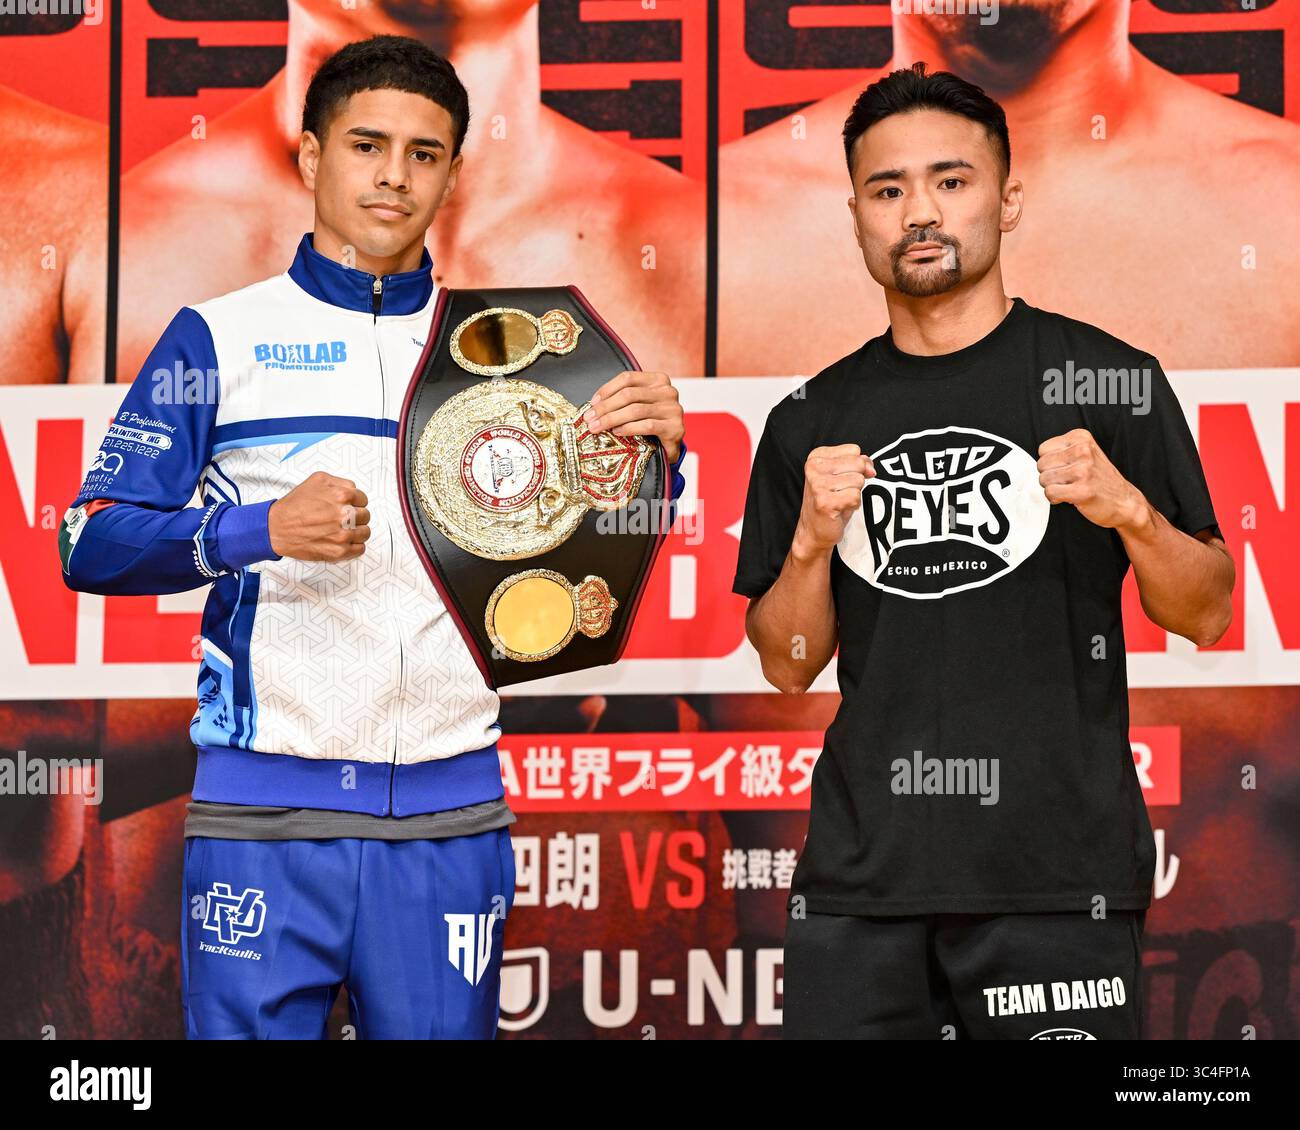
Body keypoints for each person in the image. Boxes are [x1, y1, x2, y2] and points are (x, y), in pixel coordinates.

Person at [59, 35, 687, 1040]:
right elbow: (88, 541)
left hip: (448, 817)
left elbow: (601, 555)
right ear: (310, 156)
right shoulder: (219, 338)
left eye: (424, 152)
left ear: (450, 171)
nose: (394, 175)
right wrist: (256, 527)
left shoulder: (510, 349)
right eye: (366, 144)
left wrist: (655, 462)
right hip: (266, 816)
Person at [732, 63, 1234, 1040]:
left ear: (1005, 200)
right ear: (855, 216)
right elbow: (788, 669)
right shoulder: (810, 420)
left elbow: (1205, 610)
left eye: (950, 181)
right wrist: (807, 548)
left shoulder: (1109, 380)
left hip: (1055, 881)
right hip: (860, 883)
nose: (919, 211)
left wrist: (1128, 508)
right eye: (888, 189)